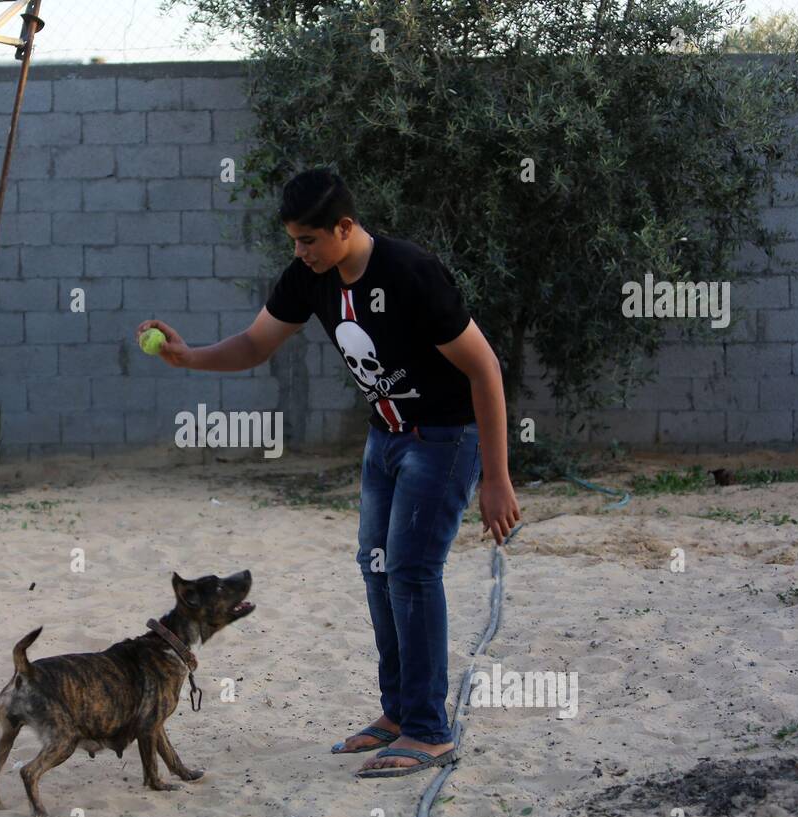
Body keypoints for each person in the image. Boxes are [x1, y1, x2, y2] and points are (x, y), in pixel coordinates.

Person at [135, 168, 520, 776]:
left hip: (446, 439)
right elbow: (255, 344)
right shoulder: (308, 279)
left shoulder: (410, 272)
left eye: (308, 239)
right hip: (386, 440)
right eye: (293, 240)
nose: (299, 252)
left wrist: (496, 478)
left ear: (345, 227)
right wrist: (187, 359)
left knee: (413, 575)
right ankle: (398, 714)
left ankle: (428, 731)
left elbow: (485, 369)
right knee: (378, 569)